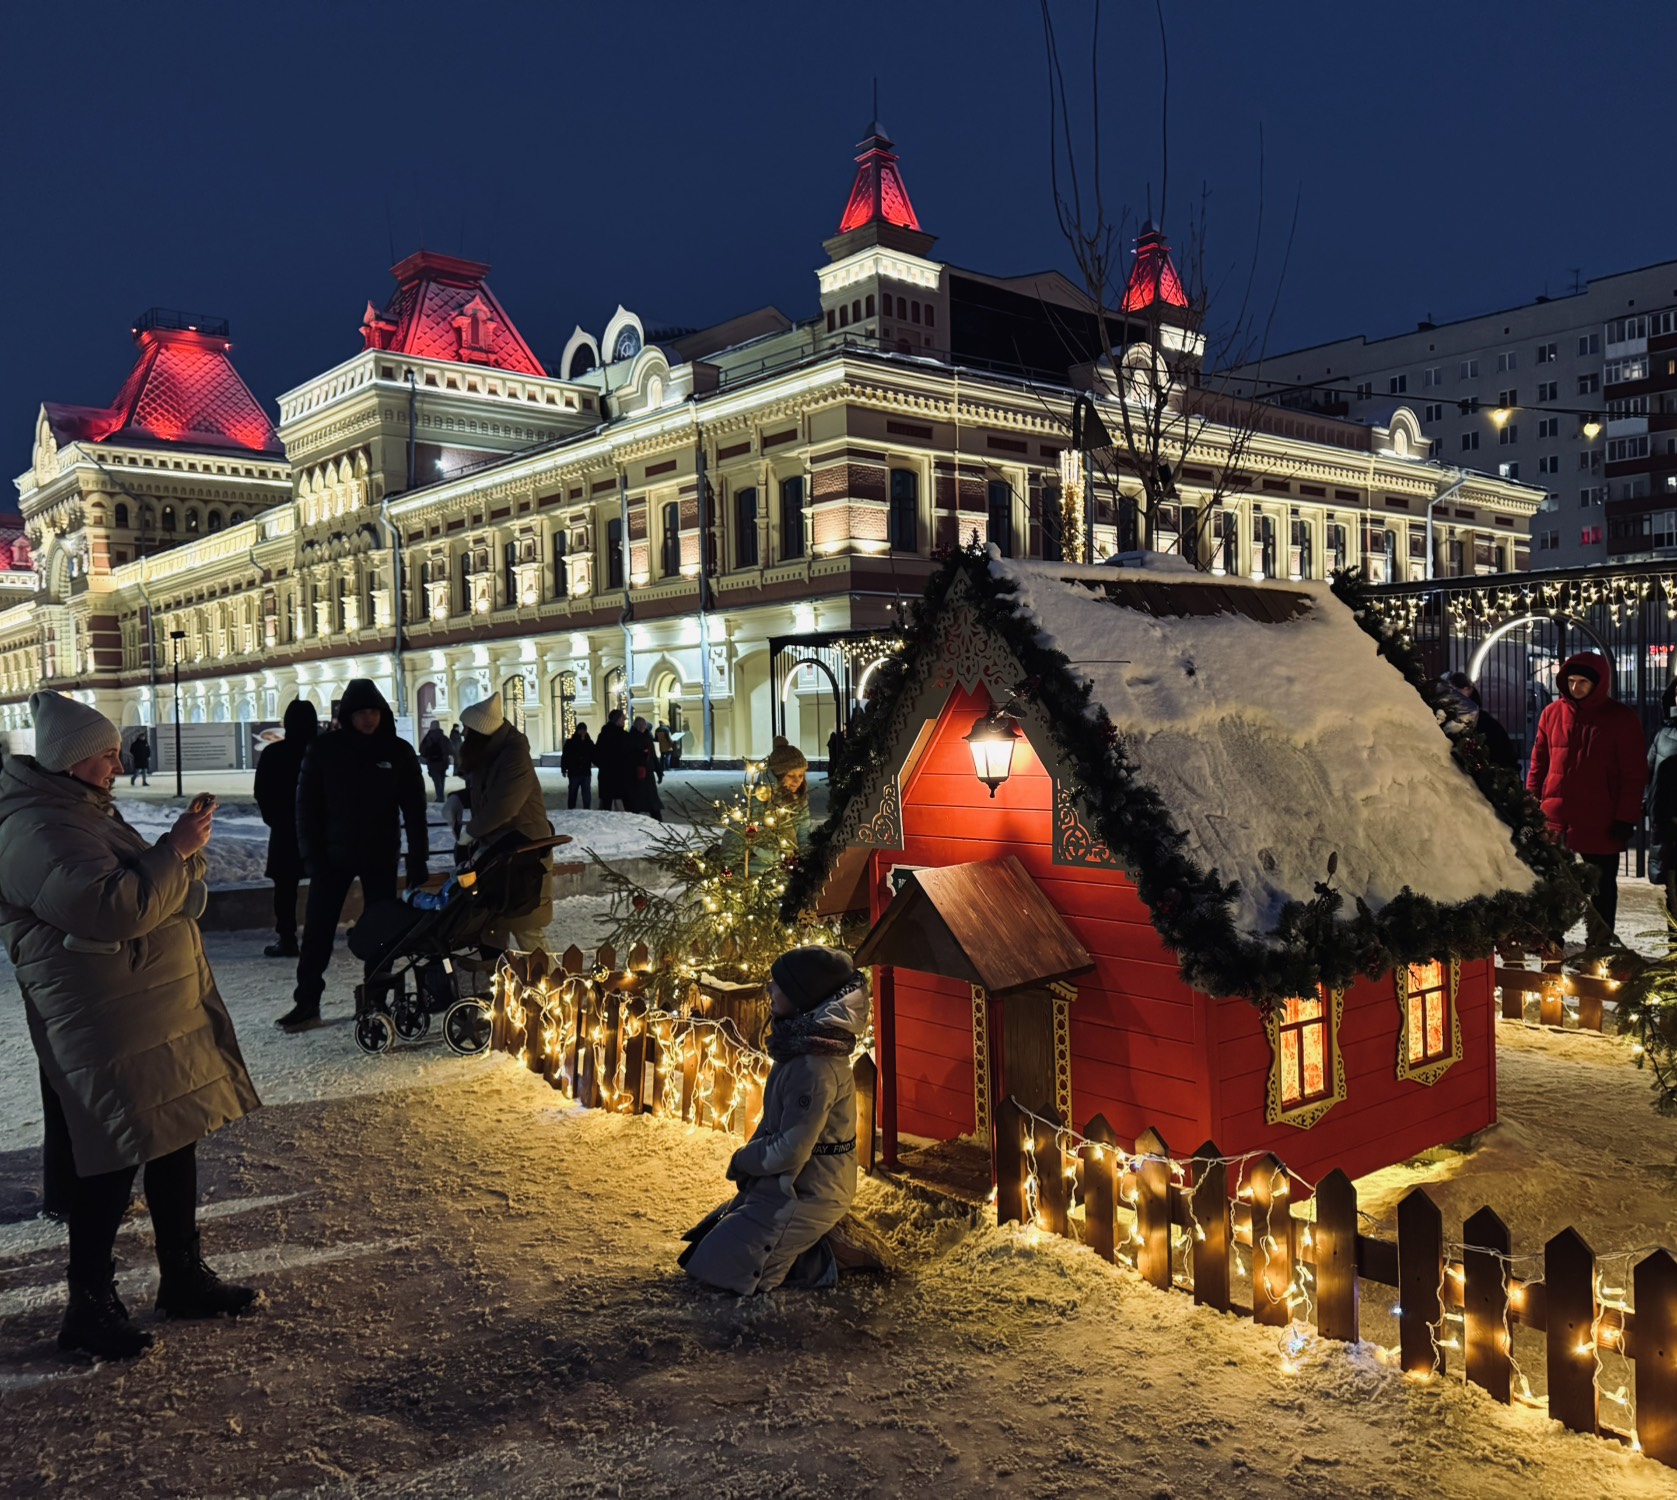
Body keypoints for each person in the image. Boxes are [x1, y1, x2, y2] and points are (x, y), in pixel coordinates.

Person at [0, 691, 260, 1359]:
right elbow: (110, 908)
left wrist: (183, 854)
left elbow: (143, 887)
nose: (120, 765)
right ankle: (89, 1304)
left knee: (174, 1133)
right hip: (100, 1013)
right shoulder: (35, 827)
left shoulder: (77, 812)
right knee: (109, 1154)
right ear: (70, 760)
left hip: (139, 1003)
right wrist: (173, 850)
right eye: (107, 755)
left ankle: (183, 1276)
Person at [680, 946, 869, 1294]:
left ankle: (820, 1260)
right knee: (710, 1245)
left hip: (812, 1188)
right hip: (792, 1180)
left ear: (802, 997)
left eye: (778, 985)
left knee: (732, 1268)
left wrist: (744, 1160)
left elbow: (792, 1149)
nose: (769, 990)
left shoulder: (815, 1066)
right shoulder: (800, 1049)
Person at [280, 678, 428, 1032]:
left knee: (380, 932)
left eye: (373, 711)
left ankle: (376, 999)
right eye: (361, 712)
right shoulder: (324, 750)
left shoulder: (398, 752)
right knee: (318, 931)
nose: (368, 718)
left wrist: (418, 859)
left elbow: (415, 810)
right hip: (332, 858)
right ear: (348, 715)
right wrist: (312, 858)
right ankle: (307, 1002)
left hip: (380, 855)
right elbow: (306, 808)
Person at [1527, 652, 1646, 944]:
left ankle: (1599, 946)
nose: (1576, 687)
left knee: (1601, 889)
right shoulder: (1552, 713)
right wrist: (1530, 802)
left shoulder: (1621, 718)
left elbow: (1634, 774)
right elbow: (1539, 763)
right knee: (1553, 885)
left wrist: (1625, 817)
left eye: (1583, 682)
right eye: (1571, 681)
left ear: (1599, 683)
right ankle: (1550, 943)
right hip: (1555, 818)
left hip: (1600, 820)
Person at [456, 693, 554, 950]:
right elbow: (488, 793)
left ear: (480, 732)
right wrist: (458, 799)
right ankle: (496, 984)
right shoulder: (490, 754)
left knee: (526, 926)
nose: (464, 735)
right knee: (491, 923)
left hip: (524, 854)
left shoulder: (514, 754)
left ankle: (553, 986)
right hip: (500, 853)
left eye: (468, 730)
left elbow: (505, 805)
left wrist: (471, 830)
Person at [253, 698, 319, 959]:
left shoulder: (274, 753)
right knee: (321, 887)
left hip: (285, 831)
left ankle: (288, 938)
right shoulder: (322, 752)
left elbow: (262, 793)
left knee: (285, 888)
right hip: (319, 831)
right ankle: (316, 936)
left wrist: (276, 820)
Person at [1439, 672, 1517, 771]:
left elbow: (1503, 754)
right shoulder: (1440, 719)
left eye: (1454, 693)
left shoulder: (1485, 723)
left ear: (1468, 690)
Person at [763, 734, 810, 839]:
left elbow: (804, 832)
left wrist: (806, 854)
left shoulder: (799, 798)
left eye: (800, 775)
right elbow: (759, 838)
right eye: (790, 775)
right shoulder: (762, 796)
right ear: (777, 775)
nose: (797, 781)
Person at [626, 715, 664, 820]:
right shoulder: (631, 738)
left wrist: (659, 771)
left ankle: (658, 820)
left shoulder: (647, 737)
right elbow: (629, 756)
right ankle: (633, 819)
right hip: (636, 775)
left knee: (652, 801)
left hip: (648, 773)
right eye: (641, 725)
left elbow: (653, 756)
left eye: (644, 725)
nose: (643, 727)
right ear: (637, 726)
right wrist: (641, 754)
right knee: (636, 801)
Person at [595, 707, 630, 812]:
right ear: (617, 720)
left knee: (606, 803)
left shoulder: (603, 734)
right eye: (622, 718)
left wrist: (603, 765)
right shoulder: (622, 736)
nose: (624, 720)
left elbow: (597, 754)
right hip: (619, 774)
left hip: (606, 774)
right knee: (619, 802)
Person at [560, 721, 594, 809]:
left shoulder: (589, 742)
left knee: (586, 793)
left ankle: (586, 809)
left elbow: (593, 754)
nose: (582, 732)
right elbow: (565, 757)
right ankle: (571, 808)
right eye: (581, 730)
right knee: (573, 792)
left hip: (584, 772)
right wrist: (564, 769)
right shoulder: (571, 742)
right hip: (574, 772)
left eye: (584, 730)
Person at [419, 720, 452, 804]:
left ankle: (440, 797)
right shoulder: (443, 738)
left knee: (436, 781)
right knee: (442, 779)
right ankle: (440, 796)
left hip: (432, 762)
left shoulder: (428, 738)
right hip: (443, 762)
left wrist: (425, 756)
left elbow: (422, 749)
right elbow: (449, 749)